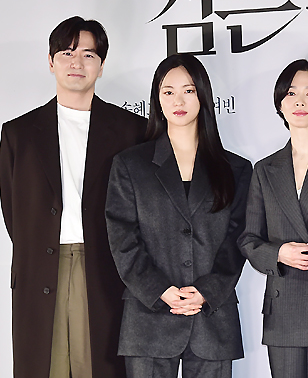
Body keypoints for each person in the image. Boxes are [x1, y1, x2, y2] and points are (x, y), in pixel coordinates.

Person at [0, 16, 147, 378]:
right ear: (51, 62)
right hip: (39, 267)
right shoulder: (19, 133)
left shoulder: (132, 130)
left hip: (107, 267)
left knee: (102, 367)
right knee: (43, 367)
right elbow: (12, 210)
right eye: (67, 52)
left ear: (101, 65)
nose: (77, 62)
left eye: (88, 55)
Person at [105, 53, 251, 378]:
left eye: (188, 90)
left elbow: (238, 240)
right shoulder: (130, 165)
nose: (178, 100)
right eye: (168, 91)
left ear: (203, 95)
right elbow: (122, 238)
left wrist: (207, 290)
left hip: (212, 318)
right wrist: (160, 289)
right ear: (157, 99)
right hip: (149, 317)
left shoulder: (236, 169)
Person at [238, 59, 308, 378]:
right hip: (283, 309)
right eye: (291, 93)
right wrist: (278, 253)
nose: (299, 101)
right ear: (281, 104)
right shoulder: (264, 169)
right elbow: (248, 239)